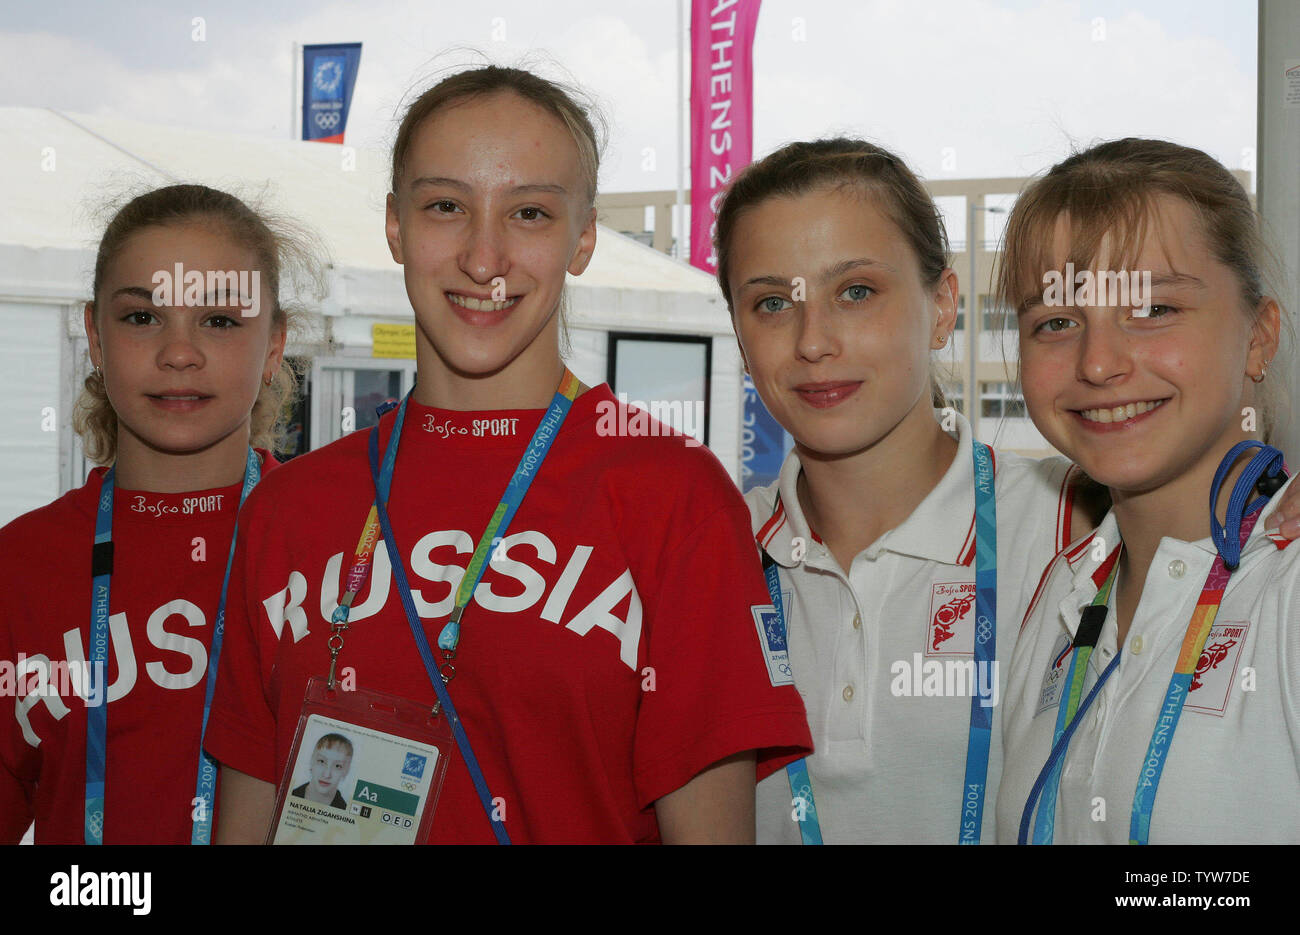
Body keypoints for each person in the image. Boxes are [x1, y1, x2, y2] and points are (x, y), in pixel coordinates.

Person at [207, 64, 813, 845]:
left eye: (528, 212)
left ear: (583, 238)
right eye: (446, 206)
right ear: (395, 225)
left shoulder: (675, 495)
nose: (484, 257)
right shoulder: (288, 511)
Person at [713, 138, 1095, 844]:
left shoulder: (1083, 525)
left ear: (944, 305)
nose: (813, 341)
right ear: (738, 333)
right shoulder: (702, 551)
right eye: (771, 302)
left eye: (856, 291)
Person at [994, 138, 1300, 844]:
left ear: (1258, 336)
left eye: (1153, 308)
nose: (1098, 362)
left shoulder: (1284, 592)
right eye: (1057, 322)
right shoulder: (1061, 596)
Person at [0, 183, 313, 844]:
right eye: (142, 317)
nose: (179, 353)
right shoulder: (20, 567)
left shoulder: (339, 546)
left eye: (221, 320)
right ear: (94, 333)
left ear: (275, 344)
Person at [291, 733, 353, 809]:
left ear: (346, 771)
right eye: (321, 761)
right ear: (311, 761)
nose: (326, 775)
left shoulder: (345, 811)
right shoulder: (289, 796)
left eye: (337, 766)